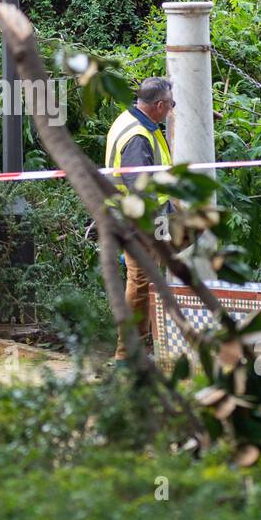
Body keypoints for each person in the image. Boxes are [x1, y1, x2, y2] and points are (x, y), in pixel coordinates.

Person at [104, 76, 175, 360]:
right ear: (158, 105)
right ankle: (129, 353)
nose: (171, 110)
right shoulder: (137, 137)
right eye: (170, 105)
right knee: (141, 282)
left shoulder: (138, 122)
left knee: (143, 279)